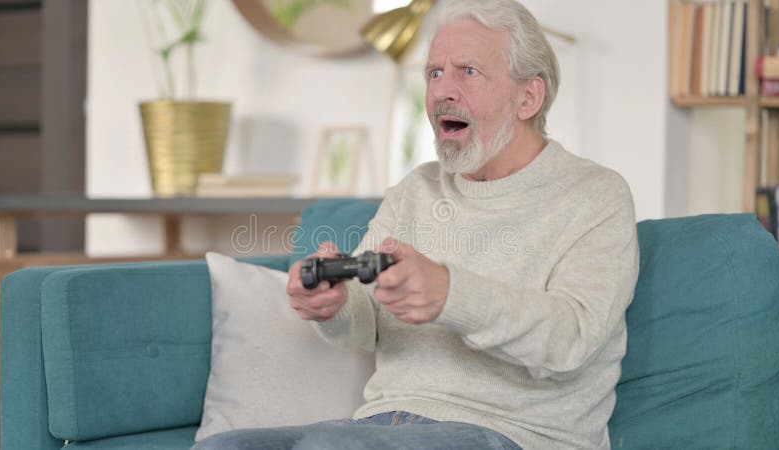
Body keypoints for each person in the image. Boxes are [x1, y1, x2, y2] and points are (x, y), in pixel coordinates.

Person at [193, 0, 638, 448]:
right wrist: (333, 304)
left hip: (515, 434)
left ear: (528, 97)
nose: (443, 90)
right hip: (381, 424)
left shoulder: (595, 195)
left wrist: (449, 293)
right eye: (434, 73)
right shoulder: (417, 189)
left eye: (468, 71)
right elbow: (364, 320)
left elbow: (573, 339)